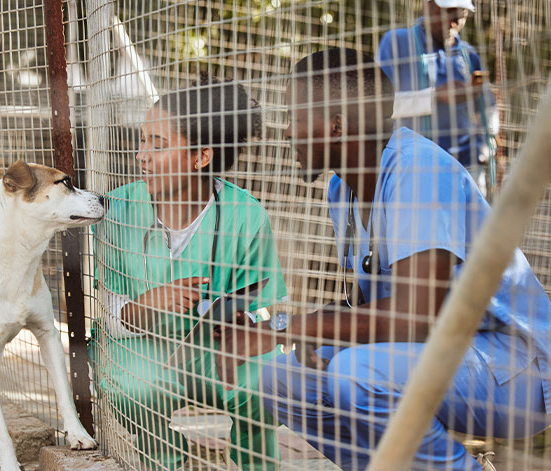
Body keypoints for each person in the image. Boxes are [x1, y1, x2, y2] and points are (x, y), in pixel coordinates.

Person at [216, 49, 550, 470]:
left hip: (515, 371)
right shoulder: (343, 190)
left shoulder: (418, 172)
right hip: (441, 358)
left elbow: (414, 318)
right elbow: (363, 308)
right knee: (281, 379)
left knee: (357, 372)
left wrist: (291, 329)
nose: (287, 132)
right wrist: (279, 329)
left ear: (336, 126)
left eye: (297, 118)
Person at [92, 75, 288, 471]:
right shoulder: (115, 210)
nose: (141, 155)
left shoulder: (246, 215)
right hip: (144, 348)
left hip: (216, 350)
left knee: (269, 382)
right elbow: (98, 307)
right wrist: (142, 307)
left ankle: (254, 463)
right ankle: (166, 461)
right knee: (133, 386)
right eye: (143, 140)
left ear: (201, 157)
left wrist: (246, 323)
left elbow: (276, 311)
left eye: (157, 144)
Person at [377, 0, 499, 197]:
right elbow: (378, 106)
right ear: (428, 7)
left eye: (462, 15)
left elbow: (488, 109)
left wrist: (483, 148)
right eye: (449, 12)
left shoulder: (468, 55)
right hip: (413, 167)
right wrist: (435, 96)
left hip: (464, 168)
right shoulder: (397, 43)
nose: (455, 22)